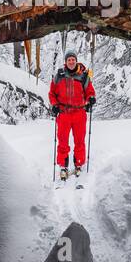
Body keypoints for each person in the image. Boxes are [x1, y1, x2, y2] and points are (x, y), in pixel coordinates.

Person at [49, 48, 96, 180]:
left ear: (76, 61)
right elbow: (51, 93)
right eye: (69, 60)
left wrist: (91, 98)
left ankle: (78, 164)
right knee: (63, 141)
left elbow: (90, 91)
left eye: (73, 59)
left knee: (79, 141)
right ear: (65, 62)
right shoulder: (59, 76)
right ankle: (63, 166)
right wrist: (54, 105)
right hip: (64, 114)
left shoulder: (84, 76)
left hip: (79, 113)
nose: (71, 62)